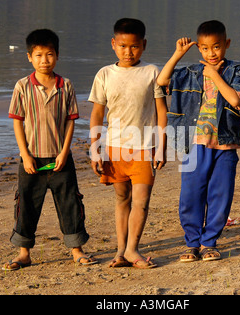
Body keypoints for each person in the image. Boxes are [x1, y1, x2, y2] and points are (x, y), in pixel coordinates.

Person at [157, 20, 240, 262]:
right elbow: (162, 82)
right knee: (191, 193)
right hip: (193, 143)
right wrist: (177, 54)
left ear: (227, 44)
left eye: (217, 47)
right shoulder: (188, 73)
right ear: (199, 48)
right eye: (206, 48)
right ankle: (192, 243)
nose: (212, 53)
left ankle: (209, 243)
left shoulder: (236, 71)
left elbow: (238, 101)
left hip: (225, 143)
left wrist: (215, 76)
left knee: (221, 193)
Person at [3, 29, 97, 271]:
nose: (44, 60)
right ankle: (24, 253)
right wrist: (25, 155)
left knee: (70, 203)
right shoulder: (22, 86)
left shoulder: (65, 85)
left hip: (59, 159)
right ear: (29, 57)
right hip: (32, 160)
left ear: (57, 55)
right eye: (38, 55)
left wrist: (65, 153)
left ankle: (77, 250)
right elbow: (17, 121)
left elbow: (70, 121)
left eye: (49, 54)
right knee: (27, 204)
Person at [89, 18, 167, 269]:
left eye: (134, 46)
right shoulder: (104, 74)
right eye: (122, 46)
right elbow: (97, 115)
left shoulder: (152, 72)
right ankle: (120, 251)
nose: (128, 52)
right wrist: (95, 149)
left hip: (144, 148)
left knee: (141, 200)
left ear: (143, 45)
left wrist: (163, 145)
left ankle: (133, 249)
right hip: (114, 148)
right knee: (122, 199)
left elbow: (162, 112)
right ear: (113, 44)